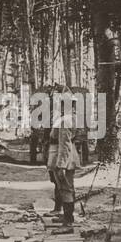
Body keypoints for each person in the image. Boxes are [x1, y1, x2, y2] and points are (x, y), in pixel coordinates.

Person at [47, 98, 79, 229]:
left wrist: (61, 165)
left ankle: (68, 220)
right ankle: (67, 217)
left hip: (63, 157)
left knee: (66, 188)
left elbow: (64, 144)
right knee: (65, 187)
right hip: (65, 155)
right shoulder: (69, 117)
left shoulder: (65, 120)